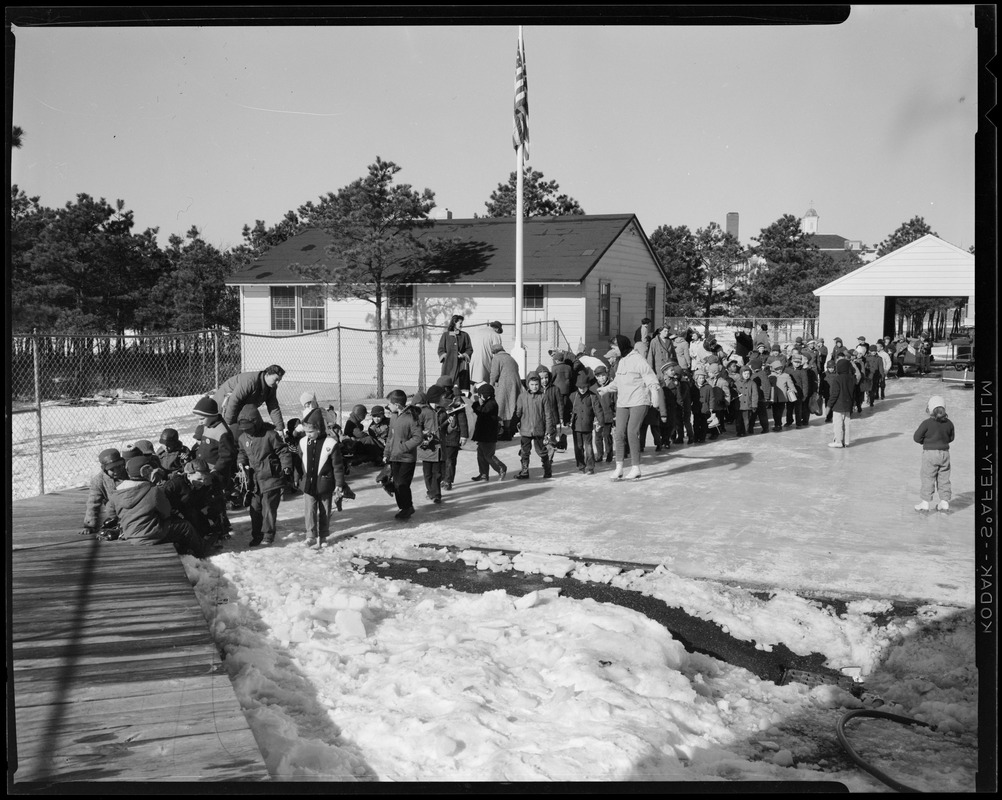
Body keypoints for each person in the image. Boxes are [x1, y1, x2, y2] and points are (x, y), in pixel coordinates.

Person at [109, 455, 209, 557]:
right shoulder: (153, 491)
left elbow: (111, 512)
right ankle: (201, 552)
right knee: (185, 526)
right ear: (146, 472)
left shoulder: (117, 492)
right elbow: (165, 512)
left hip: (129, 533)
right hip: (151, 534)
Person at [597, 335, 666, 481]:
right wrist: (606, 389)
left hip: (639, 401)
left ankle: (636, 468)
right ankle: (619, 468)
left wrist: (654, 391)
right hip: (623, 402)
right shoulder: (621, 362)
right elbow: (617, 382)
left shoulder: (637, 359)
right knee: (619, 434)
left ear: (621, 346)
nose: (613, 350)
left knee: (631, 432)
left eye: (614, 347)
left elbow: (650, 376)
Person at [235, 405, 295, 546]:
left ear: (256, 422)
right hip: (254, 480)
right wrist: (241, 463)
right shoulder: (243, 438)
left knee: (268, 507)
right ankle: (257, 535)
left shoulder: (270, 435)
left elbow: (283, 451)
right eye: (244, 429)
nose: (246, 431)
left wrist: (286, 466)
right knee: (255, 508)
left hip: (271, 477)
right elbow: (242, 453)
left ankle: (268, 535)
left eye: (249, 428)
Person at [297, 407, 346, 547]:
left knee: (325, 511)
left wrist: (339, 484)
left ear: (319, 429)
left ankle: (323, 535)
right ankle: (310, 535)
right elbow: (299, 461)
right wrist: (298, 477)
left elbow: (337, 466)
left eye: (311, 431)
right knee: (309, 510)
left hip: (325, 484)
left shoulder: (330, 444)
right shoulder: (302, 442)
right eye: (306, 432)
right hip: (308, 484)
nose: (308, 434)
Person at [162, 457, 230, 544]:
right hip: (175, 515)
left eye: (204, 479)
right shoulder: (175, 484)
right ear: (189, 475)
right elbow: (162, 501)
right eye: (199, 479)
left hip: (192, 510)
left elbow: (202, 501)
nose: (202, 482)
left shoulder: (203, 485)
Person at [382, 389, 424, 520]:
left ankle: (407, 507)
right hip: (394, 456)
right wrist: (387, 453)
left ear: (397, 404)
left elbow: (418, 437)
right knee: (396, 484)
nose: (388, 406)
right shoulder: (394, 417)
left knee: (402, 484)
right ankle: (403, 507)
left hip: (407, 458)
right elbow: (390, 437)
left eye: (390, 404)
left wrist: (403, 447)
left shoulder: (412, 418)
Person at [192, 395, 238, 505]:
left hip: (216, 474)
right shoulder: (208, 426)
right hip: (204, 470)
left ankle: (220, 519)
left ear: (212, 416)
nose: (200, 422)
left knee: (215, 500)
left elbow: (227, 455)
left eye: (202, 418)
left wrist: (216, 470)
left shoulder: (222, 432)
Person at [913, 394, 955, 512]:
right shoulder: (949, 423)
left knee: (927, 477)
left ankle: (925, 503)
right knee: (944, 478)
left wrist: (925, 442)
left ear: (930, 409)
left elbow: (916, 437)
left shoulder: (926, 423)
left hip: (930, 454)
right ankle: (944, 502)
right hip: (945, 454)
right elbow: (951, 438)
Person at [214, 364, 286, 432]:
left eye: (279, 380)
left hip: (239, 406)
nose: (277, 383)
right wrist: (228, 424)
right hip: (223, 405)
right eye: (276, 379)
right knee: (234, 431)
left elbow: (273, 406)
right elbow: (234, 400)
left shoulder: (272, 387)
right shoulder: (250, 381)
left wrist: (279, 428)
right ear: (267, 374)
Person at [512, 371, 556, 480]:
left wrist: (549, 429)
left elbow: (548, 414)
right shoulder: (522, 397)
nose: (535, 387)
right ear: (528, 384)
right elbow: (518, 412)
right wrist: (514, 421)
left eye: (536, 384)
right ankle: (524, 471)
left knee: (541, 451)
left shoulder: (543, 397)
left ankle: (547, 469)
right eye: (532, 384)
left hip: (539, 429)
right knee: (524, 451)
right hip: (526, 429)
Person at [80, 448, 128, 536]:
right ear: (104, 469)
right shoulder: (99, 481)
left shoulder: (129, 472)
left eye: (119, 467)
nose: (116, 471)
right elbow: (93, 503)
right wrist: (89, 525)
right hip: (115, 512)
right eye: (112, 469)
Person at [470, 383, 508, 482]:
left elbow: (481, 411)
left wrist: (476, 404)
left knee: (488, 455)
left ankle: (501, 467)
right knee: (481, 455)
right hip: (483, 435)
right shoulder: (488, 402)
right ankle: (483, 474)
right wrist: (477, 403)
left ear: (487, 395)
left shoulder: (492, 404)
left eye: (480, 395)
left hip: (488, 436)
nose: (479, 397)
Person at [416, 388, 446, 505]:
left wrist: (451, 424)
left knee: (438, 473)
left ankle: (436, 494)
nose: (444, 399)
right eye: (443, 397)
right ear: (436, 398)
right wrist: (424, 435)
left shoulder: (443, 412)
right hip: (427, 448)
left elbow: (446, 430)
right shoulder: (423, 412)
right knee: (428, 473)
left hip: (439, 448)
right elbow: (416, 428)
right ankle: (431, 492)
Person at [569, 372, 602, 474]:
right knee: (578, 447)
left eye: (584, 387)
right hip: (576, 426)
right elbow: (568, 409)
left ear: (588, 386)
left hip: (587, 426)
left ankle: (590, 467)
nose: (582, 389)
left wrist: (599, 422)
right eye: (580, 387)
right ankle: (580, 466)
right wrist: (566, 420)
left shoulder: (593, 396)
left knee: (588, 447)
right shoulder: (573, 396)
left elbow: (598, 410)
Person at [437, 385, 469, 491]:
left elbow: (462, 420)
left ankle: (448, 480)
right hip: (441, 437)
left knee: (450, 460)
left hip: (453, 436)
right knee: (442, 459)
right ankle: (442, 478)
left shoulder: (457, 403)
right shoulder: (438, 401)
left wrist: (464, 435)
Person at [489, 342, 522, 440]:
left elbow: (494, 374)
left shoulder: (497, 358)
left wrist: (490, 386)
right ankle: (507, 431)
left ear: (494, 352)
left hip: (504, 385)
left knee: (500, 407)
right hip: (514, 385)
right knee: (509, 408)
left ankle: (502, 432)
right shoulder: (511, 358)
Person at [438, 314, 474, 395]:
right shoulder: (446, 335)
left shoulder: (465, 335)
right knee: (447, 385)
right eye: (460, 323)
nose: (461, 325)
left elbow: (469, 349)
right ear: (454, 322)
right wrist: (445, 356)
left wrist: (463, 355)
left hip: (461, 365)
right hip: (448, 365)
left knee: (460, 387)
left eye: (462, 323)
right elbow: (441, 349)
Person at [826, 357, 857, 448]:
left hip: (838, 406)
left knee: (838, 424)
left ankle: (838, 441)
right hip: (848, 406)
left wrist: (828, 406)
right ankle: (846, 441)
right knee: (846, 424)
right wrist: (853, 404)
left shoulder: (837, 379)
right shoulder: (851, 378)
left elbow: (834, 394)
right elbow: (853, 392)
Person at [469, 320, 504, 389]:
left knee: (473, 383)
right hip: (485, 361)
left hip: (473, 360)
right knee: (484, 386)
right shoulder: (495, 335)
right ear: (497, 329)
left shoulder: (478, 331)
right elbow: (497, 352)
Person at [593, 365, 616, 462]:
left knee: (607, 436)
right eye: (599, 376)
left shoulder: (611, 387)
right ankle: (599, 454)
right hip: (597, 418)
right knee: (598, 437)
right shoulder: (594, 389)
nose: (601, 378)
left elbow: (615, 401)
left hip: (608, 416)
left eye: (603, 375)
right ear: (596, 377)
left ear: (606, 375)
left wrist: (615, 415)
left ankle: (609, 453)